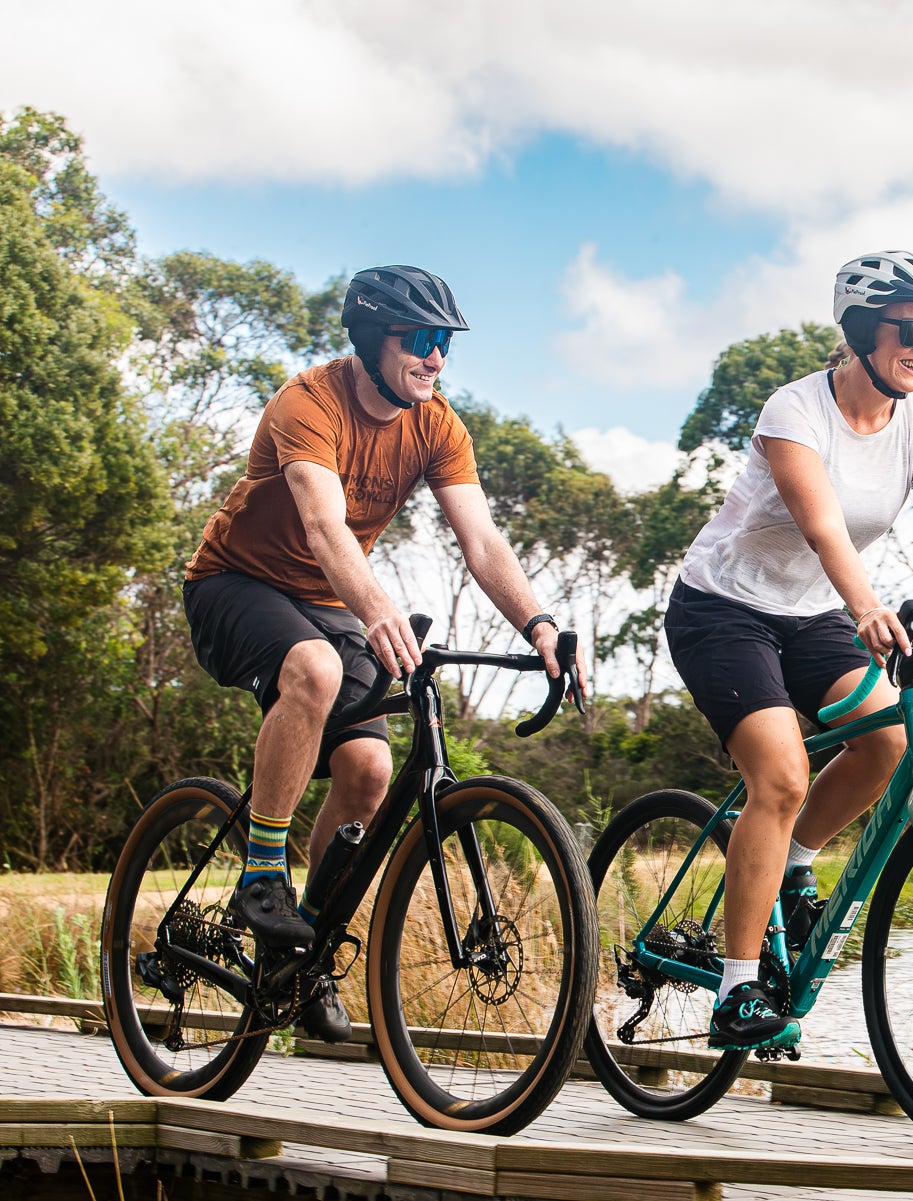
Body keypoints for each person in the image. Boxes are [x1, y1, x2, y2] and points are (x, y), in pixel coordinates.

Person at [665, 250, 913, 1050]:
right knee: (779, 775)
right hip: (723, 610)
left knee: (885, 739)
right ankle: (738, 992)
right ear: (858, 330)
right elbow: (821, 526)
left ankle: (794, 861)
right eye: (908, 329)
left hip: (813, 615)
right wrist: (869, 605)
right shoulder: (795, 410)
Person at [182, 264, 587, 1041]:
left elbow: (481, 539)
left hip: (329, 598)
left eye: (446, 345)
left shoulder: (437, 425)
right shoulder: (310, 402)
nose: (438, 359)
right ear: (373, 340)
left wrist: (536, 622)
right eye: (423, 341)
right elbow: (324, 527)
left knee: (369, 772)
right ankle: (261, 873)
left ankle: (294, 962)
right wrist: (377, 610)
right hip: (235, 581)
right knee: (317, 669)